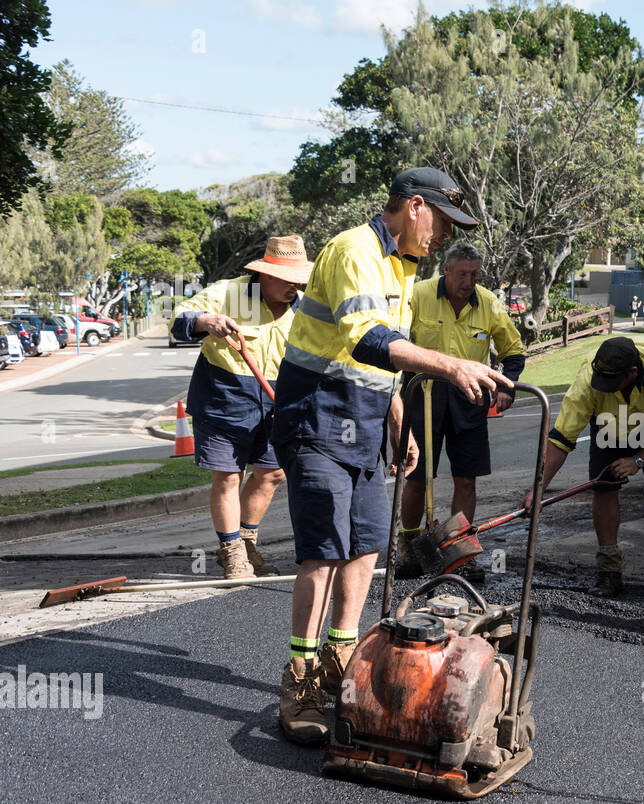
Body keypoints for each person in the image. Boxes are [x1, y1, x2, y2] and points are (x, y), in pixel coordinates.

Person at [270, 167, 512, 746]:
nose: (441, 235)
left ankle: (341, 656)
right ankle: (300, 679)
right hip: (317, 416)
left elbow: (384, 364)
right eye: (441, 220)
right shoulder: (353, 249)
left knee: (367, 542)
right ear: (412, 206)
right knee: (324, 550)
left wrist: (399, 422)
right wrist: (452, 364)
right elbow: (368, 339)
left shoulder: (405, 268)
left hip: (365, 418)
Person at [524, 335, 644, 598]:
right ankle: (609, 571)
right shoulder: (588, 382)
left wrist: (638, 460)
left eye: (611, 383)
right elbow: (561, 439)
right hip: (609, 423)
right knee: (604, 487)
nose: (604, 387)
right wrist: (538, 489)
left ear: (633, 373)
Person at [170, 236, 312, 579]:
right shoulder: (231, 293)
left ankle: (247, 542)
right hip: (224, 397)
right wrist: (207, 322)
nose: (295, 286)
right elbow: (178, 318)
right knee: (229, 477)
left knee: (272, 473)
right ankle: (232, 552)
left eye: (299, 280)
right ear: (265, 274)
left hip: (277, 401)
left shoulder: (305, 307)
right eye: (288, 279)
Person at [396, 239, 527, 581]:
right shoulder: (419, 294)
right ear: (447, 270)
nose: (469, 282)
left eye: (474, 274)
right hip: (420, 391)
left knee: (466, 478)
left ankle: (460, 550)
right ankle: (408, 545)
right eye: (463, 274)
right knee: (416, 474)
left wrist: (505, 385)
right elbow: (392, 343)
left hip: (469, 397)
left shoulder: (488, 303)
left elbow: (514, 352)